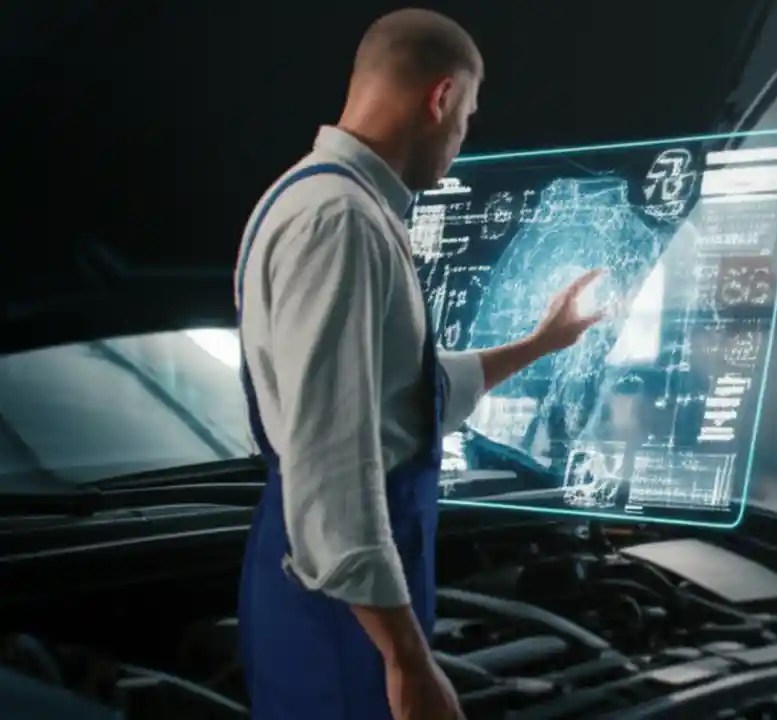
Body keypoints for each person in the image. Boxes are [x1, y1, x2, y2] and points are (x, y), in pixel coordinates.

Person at [233, 9, 604, 720]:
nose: (463, 136)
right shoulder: (341, 222)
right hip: (342, 618)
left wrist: (541, 343)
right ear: (441, 97)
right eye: (467, 115)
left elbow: (403, 397)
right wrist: (407, 661)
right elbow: (334, 467)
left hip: (339, 598)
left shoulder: (323, 199)